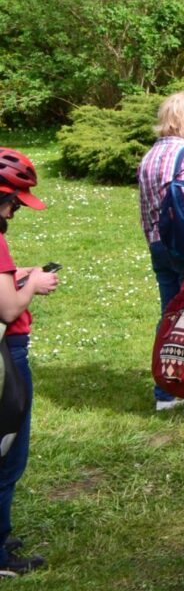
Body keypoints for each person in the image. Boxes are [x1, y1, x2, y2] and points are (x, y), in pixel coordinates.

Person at [0, 149, 61, 578]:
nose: (14, 212)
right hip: (9, 355)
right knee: (8, 456)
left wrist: (16, 273)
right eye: (12, 203)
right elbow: (7, 309)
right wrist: (33, 284)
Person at [137, 90, 184, 414]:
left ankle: (165, 394)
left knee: (169, 316)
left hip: (158, 243)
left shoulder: (150, 155)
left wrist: (153, 240)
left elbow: (145, 206)